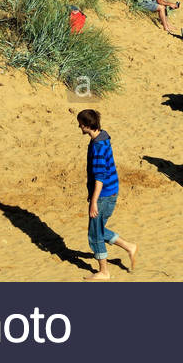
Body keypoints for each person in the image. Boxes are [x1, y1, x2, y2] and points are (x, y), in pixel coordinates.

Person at [77, 109, 138, 279]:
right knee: (98, 229)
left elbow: (99, 177)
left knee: (95, 234)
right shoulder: (103, 136)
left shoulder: (97, 146)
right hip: (111, 191)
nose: (79, 126)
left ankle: (104, 271)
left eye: (81, 124)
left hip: (104, 195)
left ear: (88, 125)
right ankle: (129, 247)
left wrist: (94, 201)